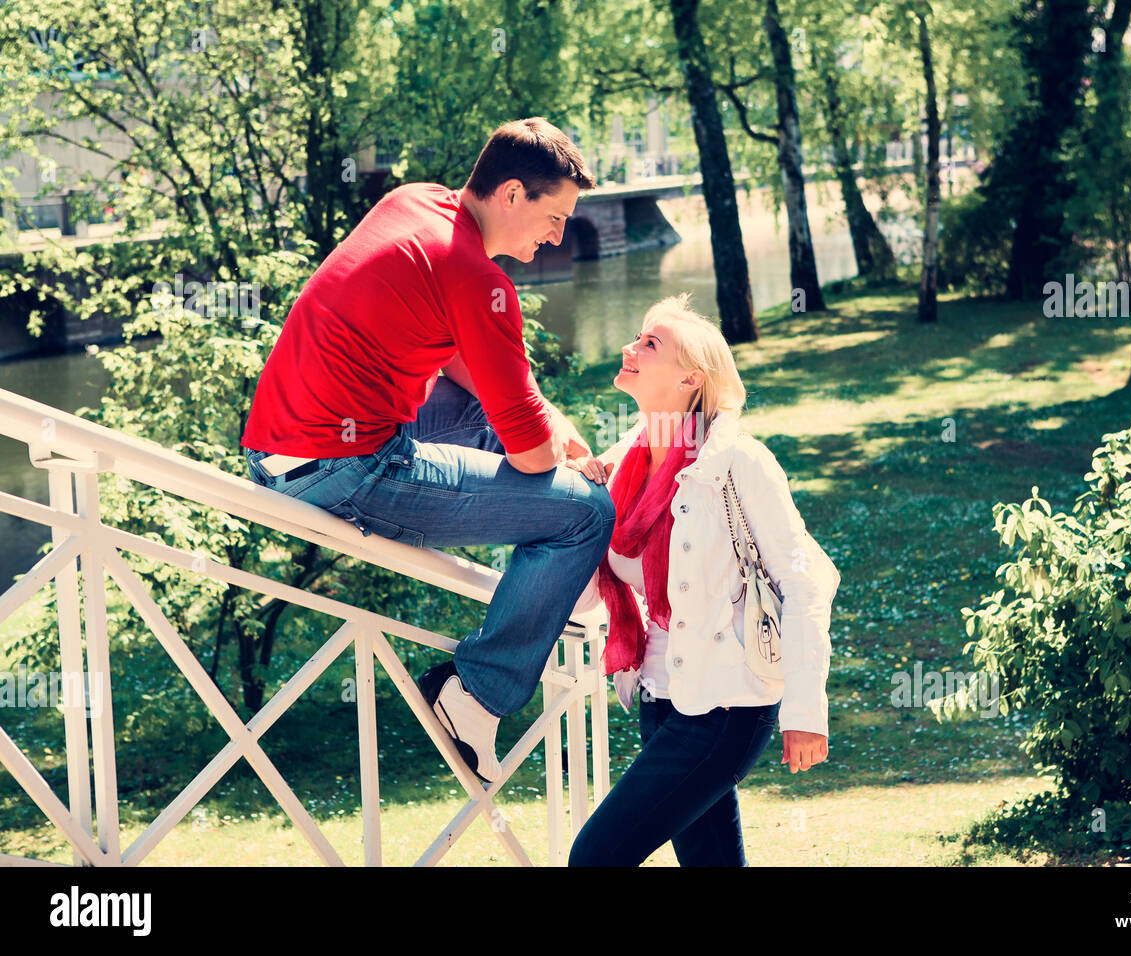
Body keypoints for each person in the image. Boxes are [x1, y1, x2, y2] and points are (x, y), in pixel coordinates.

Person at [241, 118, 614, 784]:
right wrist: (549, 452)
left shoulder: (412, 203)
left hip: (277, 449)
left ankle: (555, 587)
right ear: (510, 195)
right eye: (553, 216)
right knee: (584, 513)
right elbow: (530, 459)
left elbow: (461, 365)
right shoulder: (479, 280)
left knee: (516, 438)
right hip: (345, 468)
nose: (559, 235)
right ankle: (475, 696)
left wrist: (546, 420)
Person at [563, 294, 840, 867]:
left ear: (692, 378)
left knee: (595, 857)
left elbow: (807, 579)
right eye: (637, 337)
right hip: (659, 697)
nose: (630, 349)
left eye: (650, 343)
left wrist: (807, 712)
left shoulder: (738, 461)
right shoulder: (623, 465)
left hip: (725, 708)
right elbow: (594, 576)